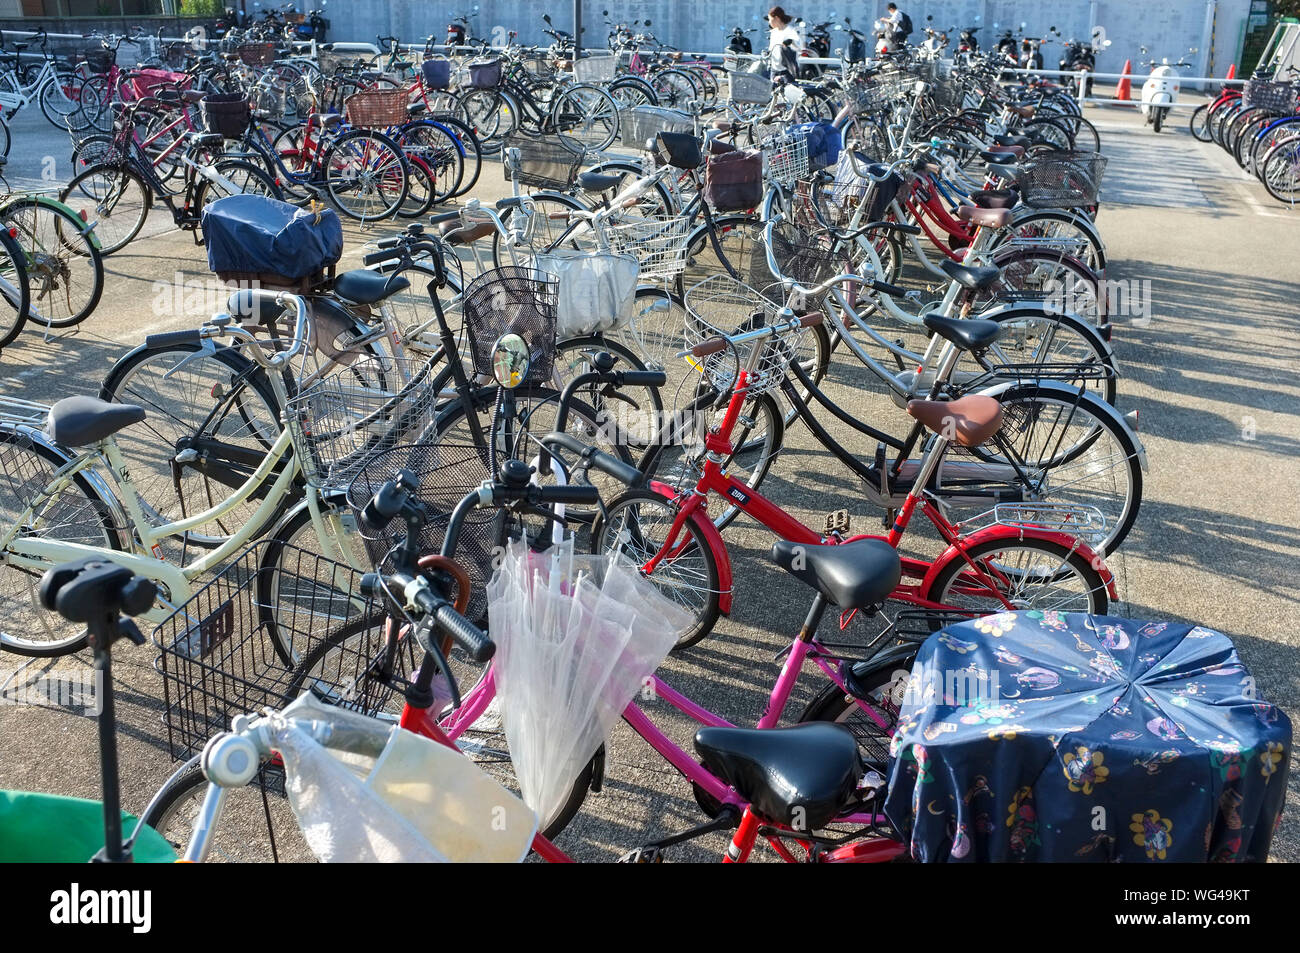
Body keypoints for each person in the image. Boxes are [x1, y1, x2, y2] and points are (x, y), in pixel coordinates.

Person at [766, 6, 803, 80]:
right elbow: (771, 49)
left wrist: (791, 41)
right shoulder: (773, 32)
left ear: (776, 18)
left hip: (787, 70)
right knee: (773, 90)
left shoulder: (790, 31)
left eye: (770, 19)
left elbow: (799, 47)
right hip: (774, 70)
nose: (769, 22)